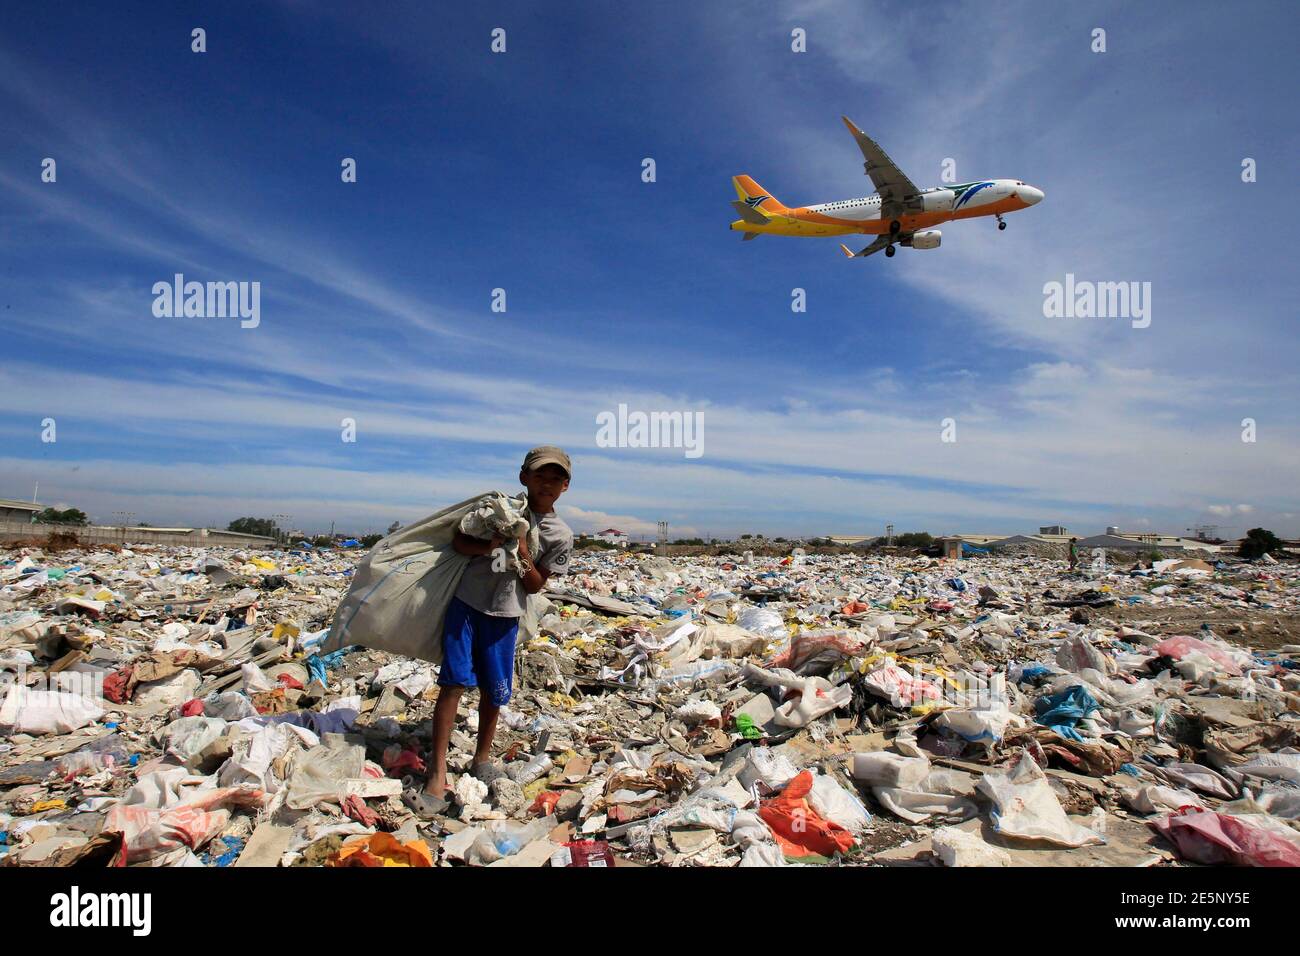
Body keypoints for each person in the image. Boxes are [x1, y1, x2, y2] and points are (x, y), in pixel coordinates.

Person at [414, 446, 574, 812]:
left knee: (494, 691)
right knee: (452, 683)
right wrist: (490, 545)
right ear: (524, 478)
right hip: (467, 605)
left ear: (565, 486)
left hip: (505, 616)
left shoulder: (560, 534)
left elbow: (535, 585)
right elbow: (458, 542)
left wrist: (520, 551)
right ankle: (437, 774)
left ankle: (481, 759)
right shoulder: (498, 509)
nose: (546, 483)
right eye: (539, 476)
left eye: (555, 478)